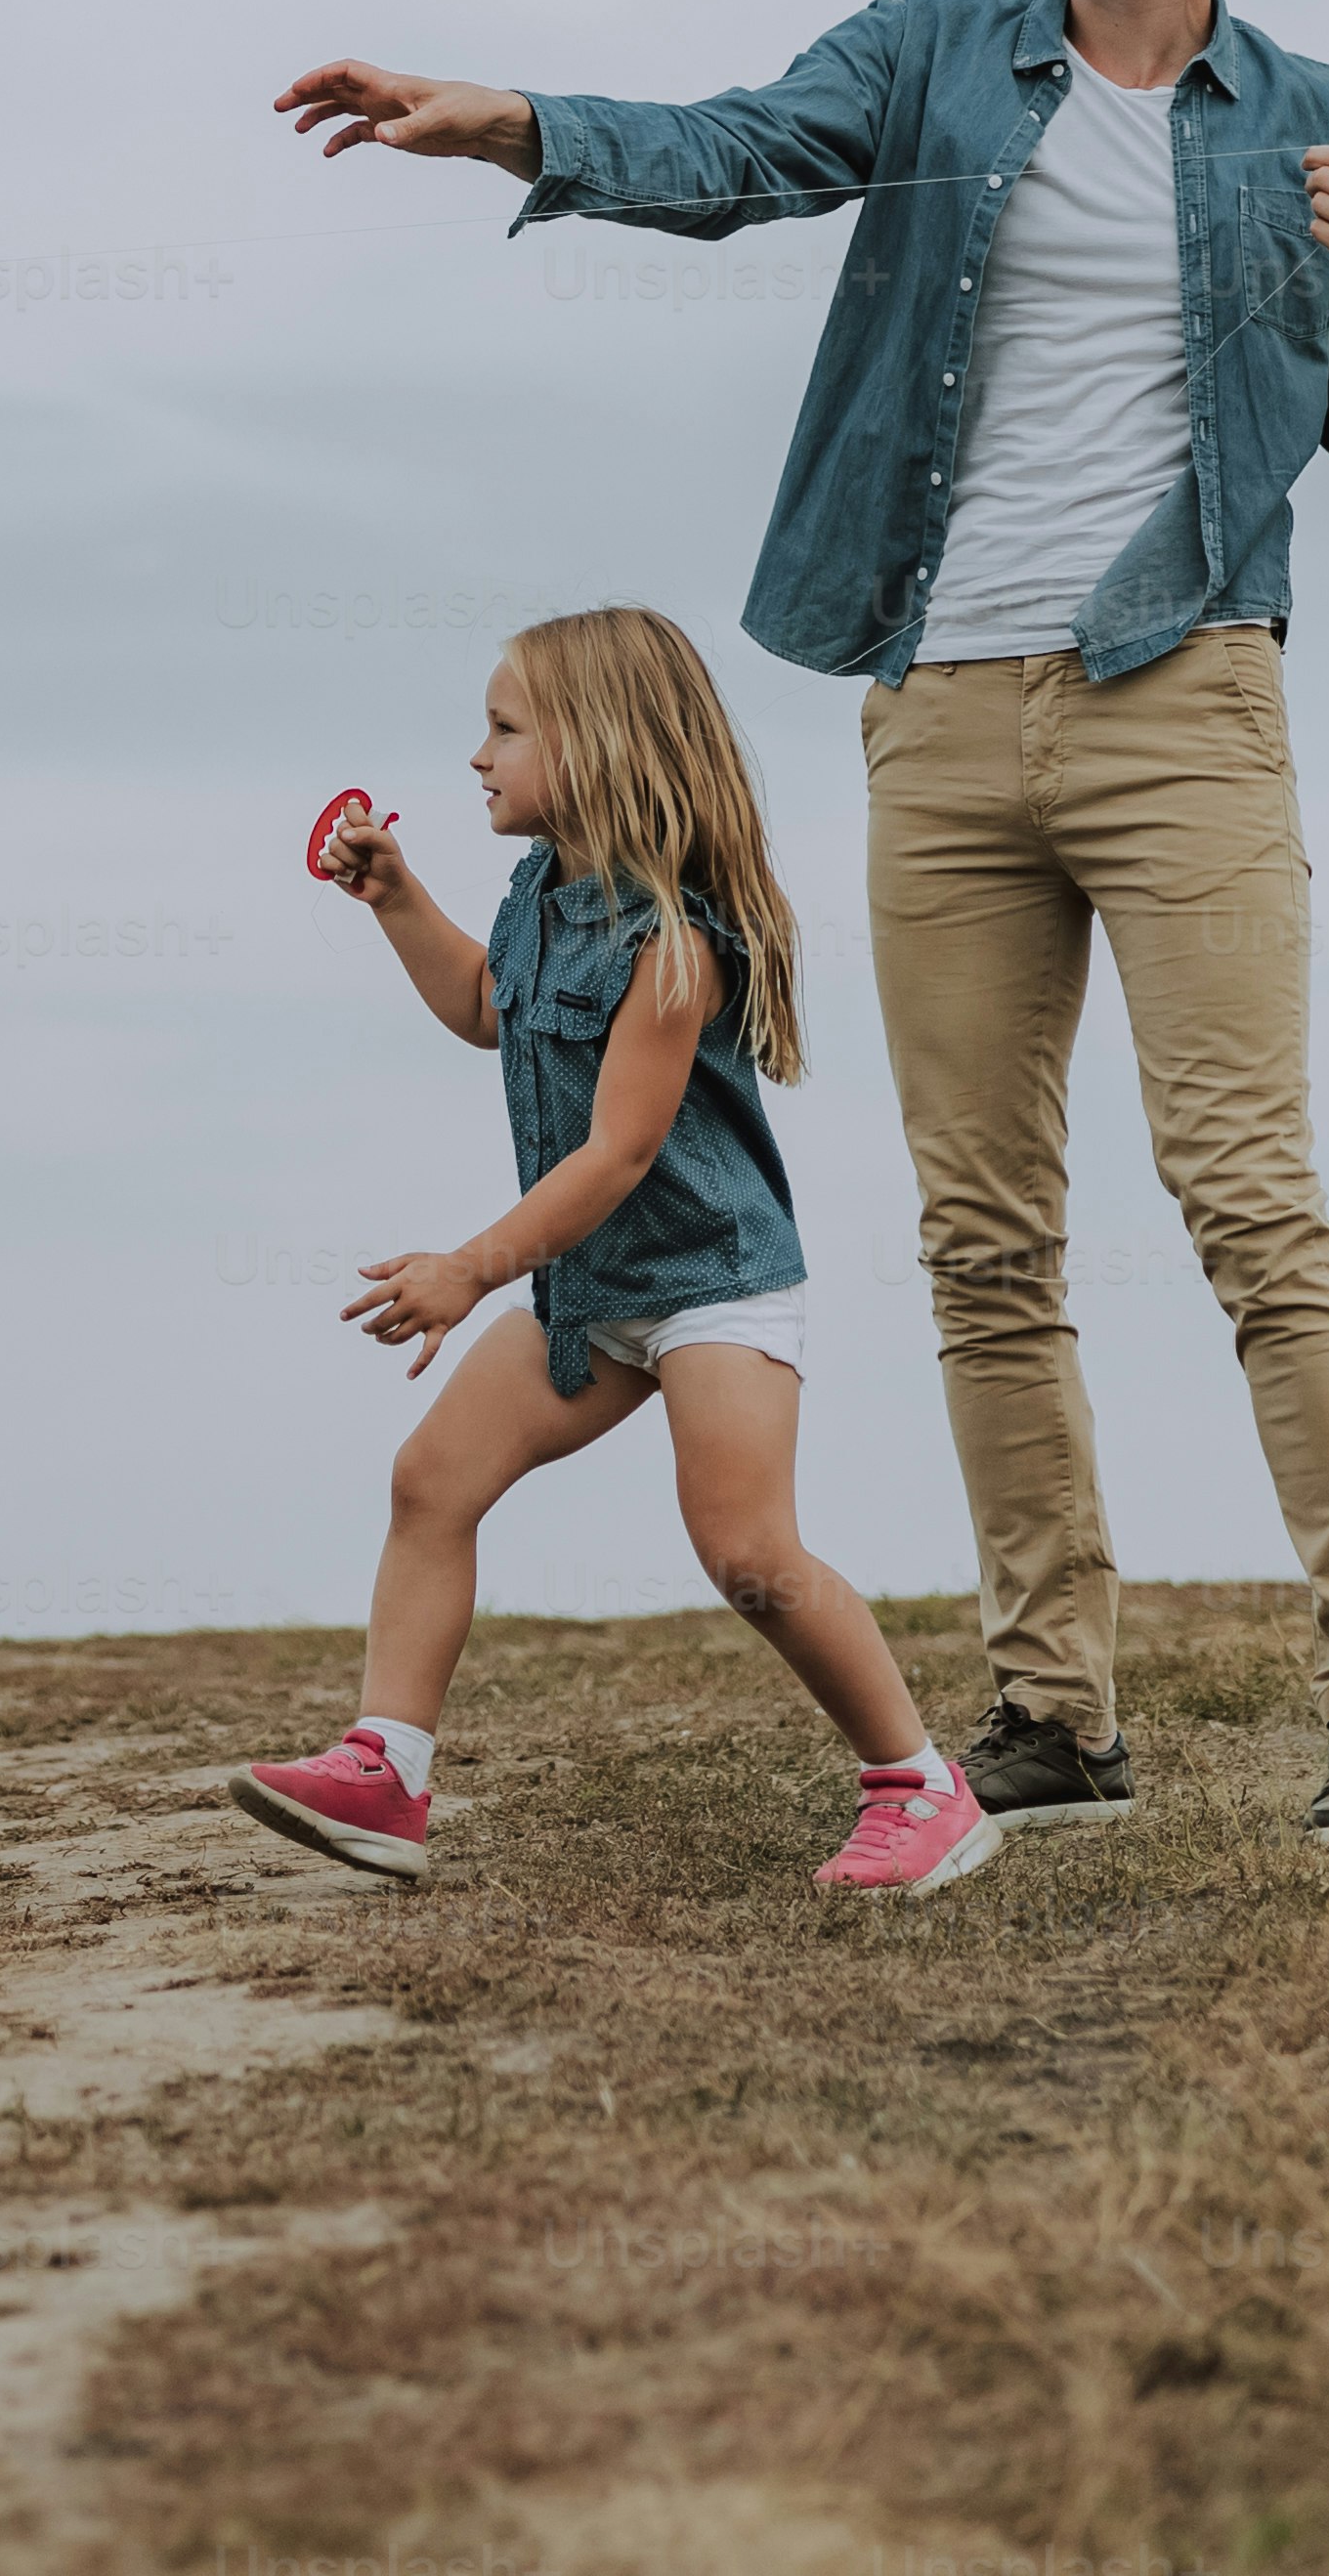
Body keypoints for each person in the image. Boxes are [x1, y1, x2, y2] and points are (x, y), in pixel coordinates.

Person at [271, 0, 1329, 1845]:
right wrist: (516, 120)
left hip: (1185, 695)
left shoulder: (1317, 122)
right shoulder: (937, 54)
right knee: (984, 1231)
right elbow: (739, 149)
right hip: (937, 709)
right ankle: (1050, 1707)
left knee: (1247, 1192)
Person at [231, 610, 993, 1898]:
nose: (478, 757)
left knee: (749, 1554)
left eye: (506, 729)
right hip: (594, 1289)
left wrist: (470, 1269)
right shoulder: (540, 895)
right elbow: (487, 1007)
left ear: (601, 747)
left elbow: (618, 1155)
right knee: (432, 1481)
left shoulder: (673, 944)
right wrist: (397, 898)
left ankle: (921, 1789)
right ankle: (388, 1769)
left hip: (711, 1287)